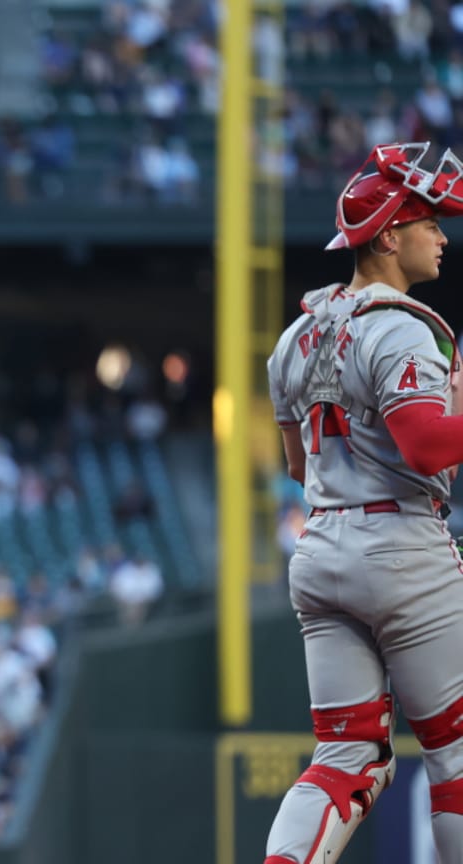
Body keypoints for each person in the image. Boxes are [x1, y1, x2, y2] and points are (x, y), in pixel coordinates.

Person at [263, 141, 463, 864]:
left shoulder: (293, 338)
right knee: (456, 758)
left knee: (346, 755)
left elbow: (295, 464)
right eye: (429, 223)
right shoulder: (403, 326)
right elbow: (427, 448)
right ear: (388, 235)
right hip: (402, 548)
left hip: (321, 548)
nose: (441, 235)